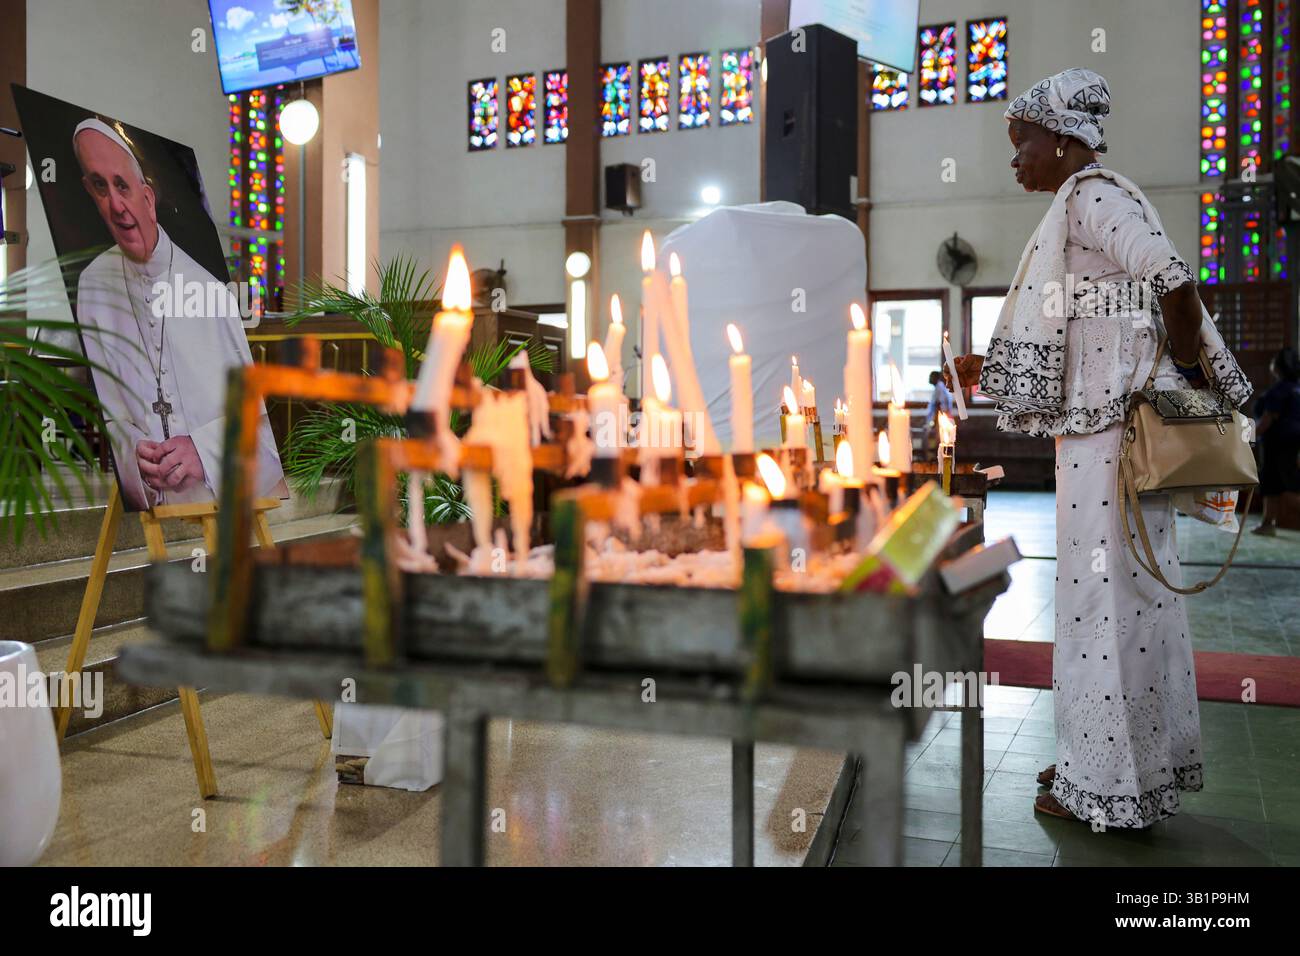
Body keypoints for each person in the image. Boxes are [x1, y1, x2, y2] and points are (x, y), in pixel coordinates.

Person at [948, 69, 1252, 828]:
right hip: (1097, 442)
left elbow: (1175, 285)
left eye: (1024, 144)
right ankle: (1107, 765)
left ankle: (1110, 788)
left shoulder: (1092, 196)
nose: (1016, 159)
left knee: (1103, 610)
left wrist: (1167, 385)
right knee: (1114, 606)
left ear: (1062, 142)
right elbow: (1098, 323)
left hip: (1112, 444)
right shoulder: (1085, 205)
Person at [71, 117, 285, 511]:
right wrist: (133, 452)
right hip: (153, 495)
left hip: (214, 497)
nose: (116, 206)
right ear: (89, 192)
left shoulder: (210, 291)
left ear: (148, 198)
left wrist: (203, 452)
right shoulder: (93, 284)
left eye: (122, 185)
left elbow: (257, 432)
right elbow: (110, 414)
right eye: (100, 187)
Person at [1252, 347, 1300, 535]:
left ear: (1278, 367)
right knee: (1279, 481)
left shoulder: (1278, 391)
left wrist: (1246, 438)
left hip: (1278, 442)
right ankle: (1267, 523)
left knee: (1274, 481)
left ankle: (1268, 523)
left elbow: (1267, 420)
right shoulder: (1296, 388)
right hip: (1293, 442)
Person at [924, 369, 955, 457]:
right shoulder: (939, 387)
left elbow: (940, 406)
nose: (929, 379)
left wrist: (934, 422)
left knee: (936, 442)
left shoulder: (939, 388)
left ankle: (935, 460)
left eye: (931, 377)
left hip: (938, 420)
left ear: (936, 378)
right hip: (936, 419)